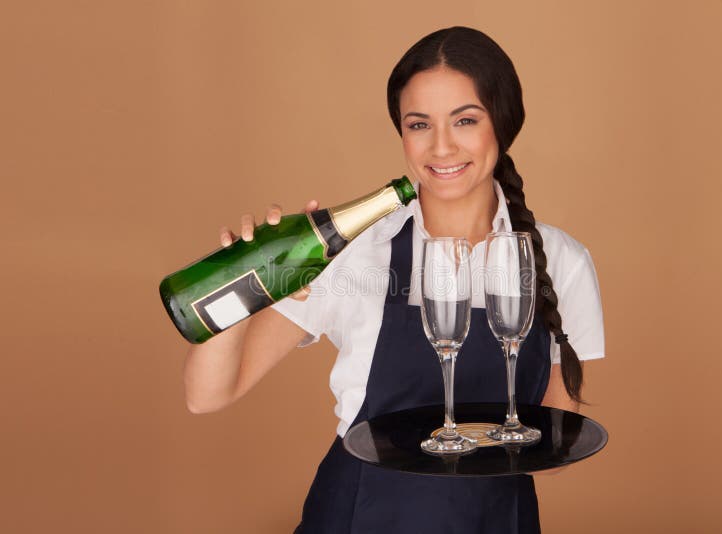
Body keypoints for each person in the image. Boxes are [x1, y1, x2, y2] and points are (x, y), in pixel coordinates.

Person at [183, 26, 604, 533]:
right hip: (357, 516)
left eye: (465, 120)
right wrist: (238, 284)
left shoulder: (560, 262)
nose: (441, 147)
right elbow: (207, 395)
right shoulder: (353, 252)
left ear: (503, 123)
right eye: (419, 124)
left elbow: (552, 453)